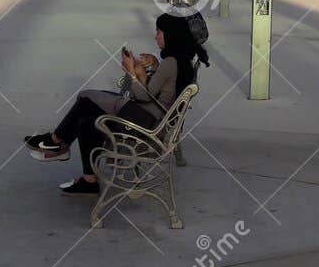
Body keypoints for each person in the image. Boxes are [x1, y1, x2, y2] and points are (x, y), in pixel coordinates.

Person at [23, 13, 197, 194]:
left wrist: (131, 72)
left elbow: (144, 96)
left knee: (86, 97)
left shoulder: (171, 62)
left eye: (159, 32)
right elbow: (158, 91)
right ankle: (88, 179)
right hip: (150, 118)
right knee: (88, 120)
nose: (156, 36)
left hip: (145, 125)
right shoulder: (180, 61)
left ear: (172, 35)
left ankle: (56, 141)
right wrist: (152, 67)